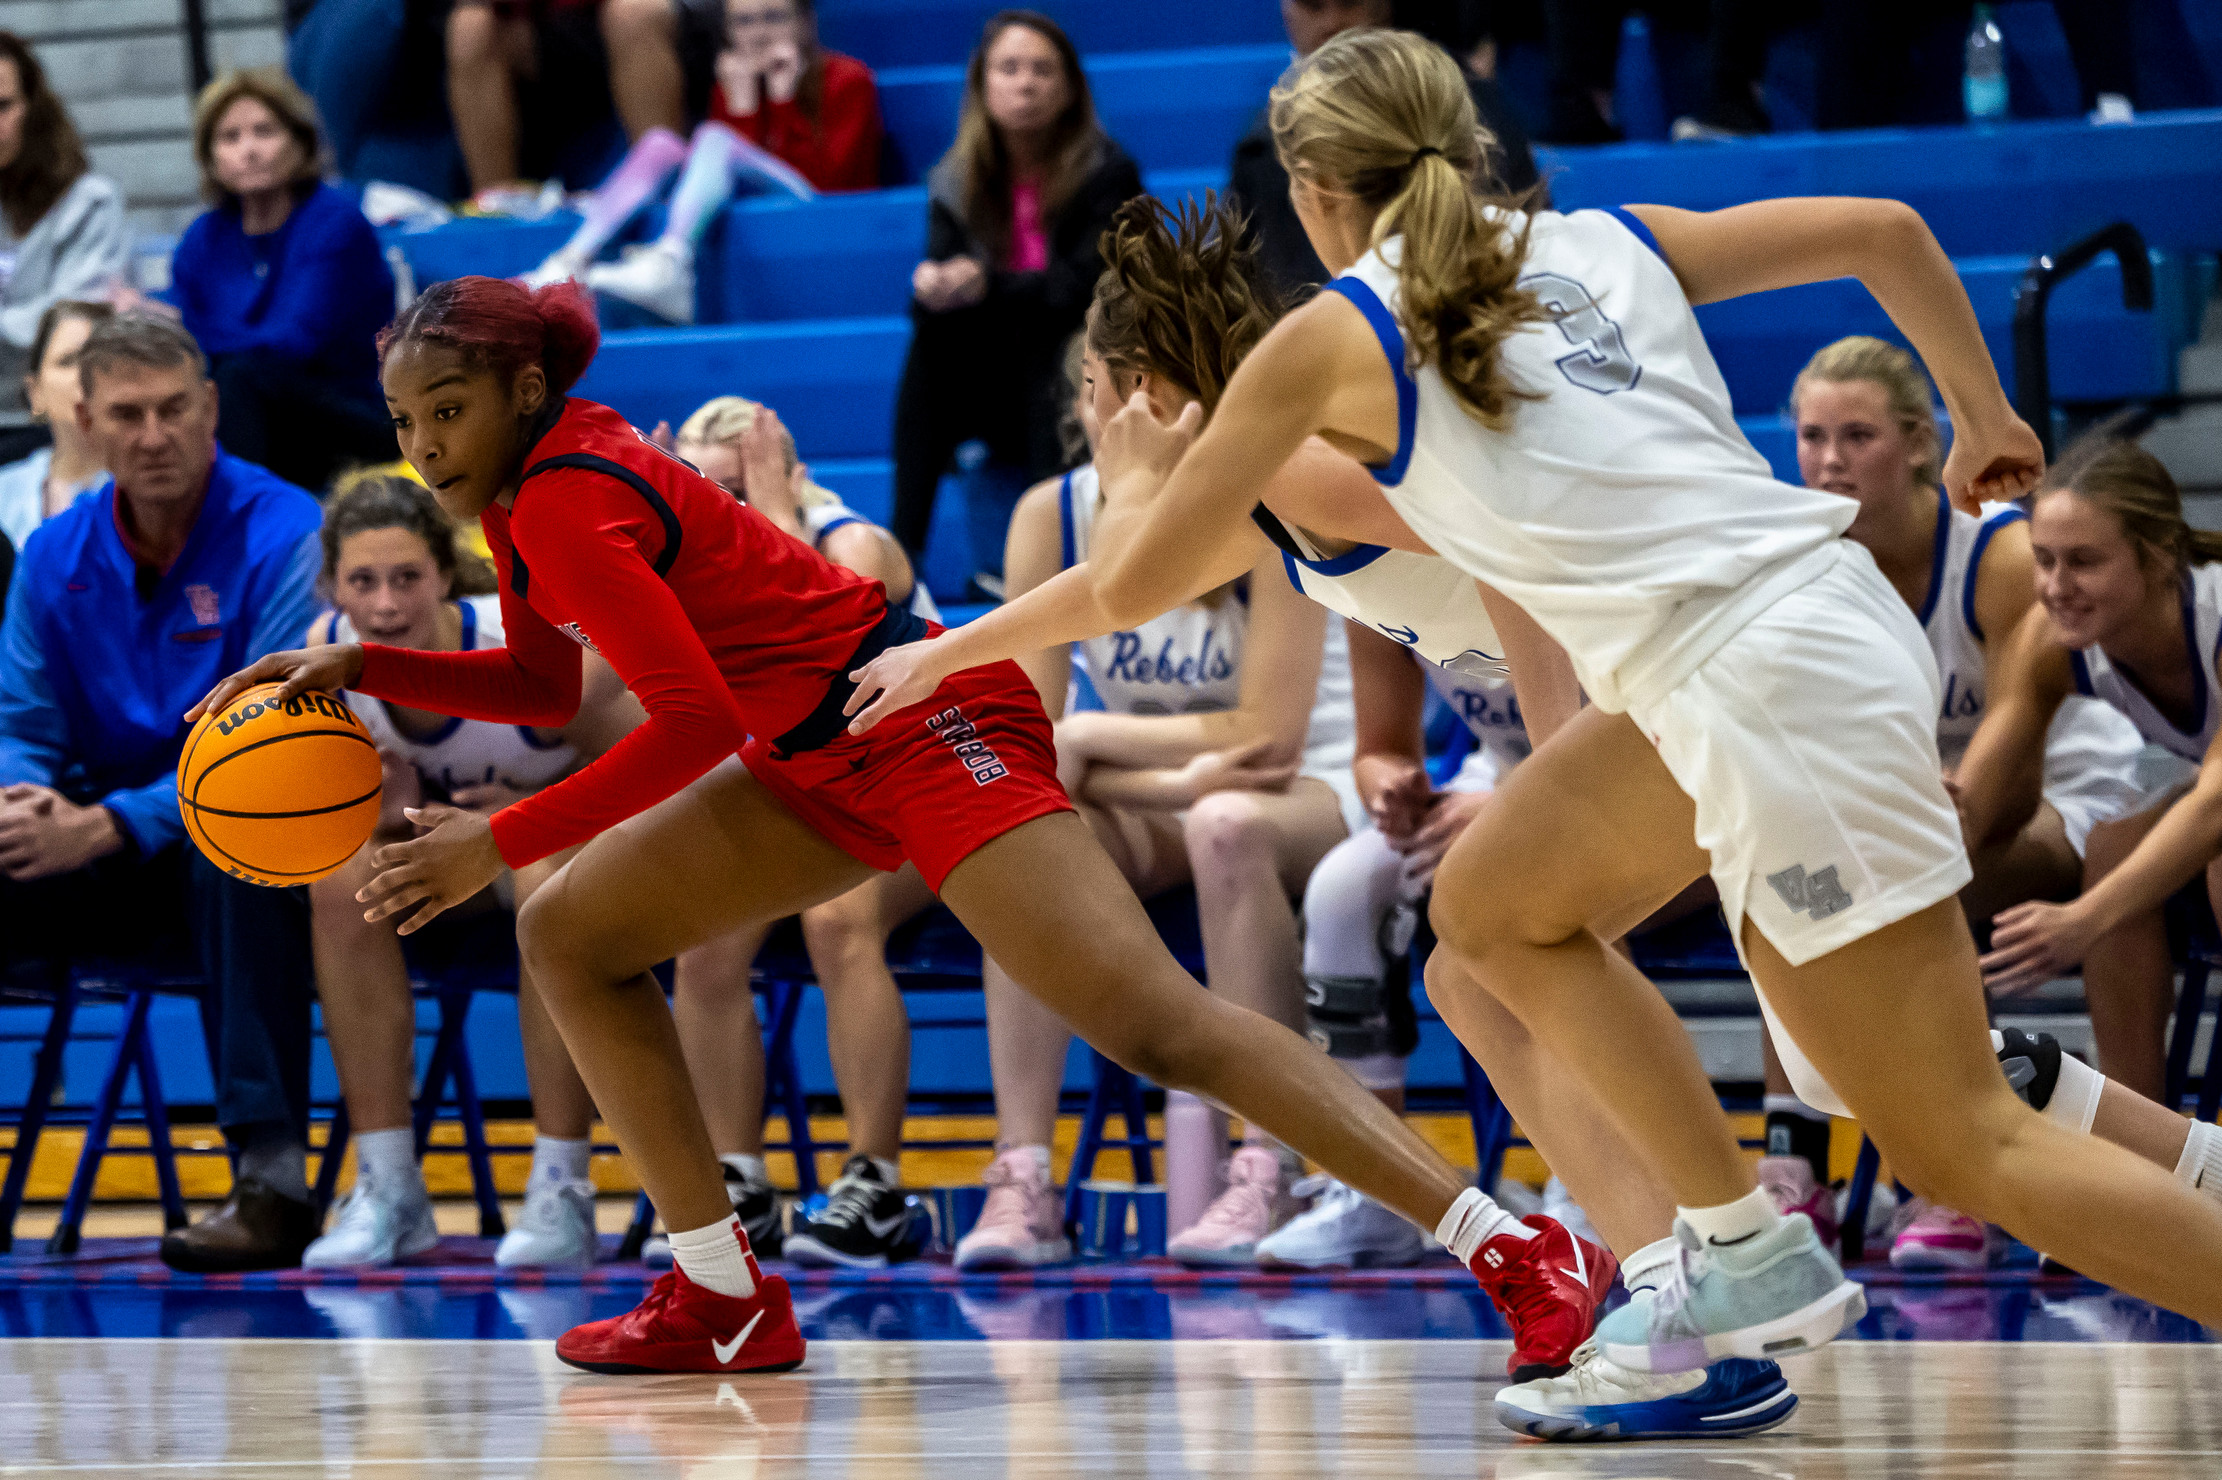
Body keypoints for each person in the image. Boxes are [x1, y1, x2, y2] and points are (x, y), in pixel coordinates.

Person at [844, 191, 2222, 1439]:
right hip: (1704, 688)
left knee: (1505, 954)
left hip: (1679, 689)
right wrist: (943, 653)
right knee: (1834, 1060)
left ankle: (1688, 1291)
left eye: (1091, 391)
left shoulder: (1304, 465)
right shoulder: (1262, 483)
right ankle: (2161, 1169)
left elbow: (1493, 549)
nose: (1086, 422)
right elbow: (1109, 593)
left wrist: (1554, 757)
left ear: (1136, 386)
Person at [192, 274, 1613, 1382]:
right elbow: (550, 686)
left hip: (924, 721)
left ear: (518, 386)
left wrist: (481, 846)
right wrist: (369, 667)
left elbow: (678, 723)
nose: (423, 444)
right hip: (819, 750)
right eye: (403, 423)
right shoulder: (530, 486)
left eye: (446, 409)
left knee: (1155, 1025)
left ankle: (1513, 1245)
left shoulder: (564, 497)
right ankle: (724, 1295)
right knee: (573, 933)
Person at [954, 329, 1361, 1273]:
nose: (1131, 409)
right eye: (1109, 388)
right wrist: (1146, 773)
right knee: (1011, 832)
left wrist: (1096, 744)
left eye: (1155, 389)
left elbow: (1265, 736)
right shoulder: (1049, 515)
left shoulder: (1271, 495)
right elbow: (1029, 744)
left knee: (1225, 826)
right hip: (1168, 786)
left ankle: (1267, 1159)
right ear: (1083, 399)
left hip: (1307, 789)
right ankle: (1025, 1178)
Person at [1769, 336, 2148, 1270]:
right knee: (1789, 874)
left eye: (1856, 435)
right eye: (1813, 436)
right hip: (1914, 817)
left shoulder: (2003, 558)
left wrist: (1927, 814)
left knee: (1890, 882)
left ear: (1918, 444)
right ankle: (1792, 1165)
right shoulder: (1801, 567)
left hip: (2064, 796)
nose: (1829, 459)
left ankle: (1946, 1180)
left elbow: (2013, 758)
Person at [0, 313, 325, 1271]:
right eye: (130, 414)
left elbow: (269, 737)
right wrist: (26, 804)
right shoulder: (53, 556)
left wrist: (110, 824)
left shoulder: (286, 530)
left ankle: (273, 1183)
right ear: (88, 423)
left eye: (175, 409)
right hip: (87, 837)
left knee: (247, 849)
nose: (154, 435)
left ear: (212, 408)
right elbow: (21, 723)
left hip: (226, 827)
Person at [298, 473, 645, 1269]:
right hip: (436, 878)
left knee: (541, 877)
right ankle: (389, 1187)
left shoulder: (528, 644)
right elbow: (307, 826)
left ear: (447, 575)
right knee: (338, 880)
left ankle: (562, 1189)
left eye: (406, 578)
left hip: (556, 859)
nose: (386, 606)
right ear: (331, 587)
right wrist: (376, 815)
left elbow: (655, 765)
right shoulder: (328, 673)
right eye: (363, 582)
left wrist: (524, 810)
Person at [634, 394, 941, 1270]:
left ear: (791, 477)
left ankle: (873, 1184)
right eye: (703, 487)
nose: (720, 506)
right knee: (703, 936)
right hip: (807, 796)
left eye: (739, 486)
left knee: (837, 920)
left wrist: (772, 511)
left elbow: (820, 654)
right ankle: (736, 1182)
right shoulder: (691, 560)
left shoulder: (851, 543)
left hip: (916, 779)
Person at [1260, 613, 1536, 1269]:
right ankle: (1375, 1192)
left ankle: (1588, 1190)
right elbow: (1378, 750)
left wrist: (1514, 810)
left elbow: (1637, 732)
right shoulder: (1364, 572)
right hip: (1501, 781)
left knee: (1548, 890)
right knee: (1344, 886)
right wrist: (1387, 787)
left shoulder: (1533, 545)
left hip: (1640, 792)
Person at [1960, 440, 2222, 1099]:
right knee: (2111, 843)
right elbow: (1977, 796)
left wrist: (2084, 919)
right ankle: (2143, 1142)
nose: (2054, 586)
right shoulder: (2051, 640)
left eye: (2083, 562)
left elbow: (2215, 802)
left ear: (2158, 555)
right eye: (2044, 560)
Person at [887, 10, 1142, 560]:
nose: (1025, 83)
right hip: (990, 381)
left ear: (1071, 88)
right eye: (1009, 68)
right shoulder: (954, 179)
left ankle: (1051, 554)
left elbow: (1084, 289)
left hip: (1074, 365)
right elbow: (937, 312)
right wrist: (931, 288)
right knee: (931, 348)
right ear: (983, 84)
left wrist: (985, 287)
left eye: (1042, 70)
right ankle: (902, 554)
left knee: (1042, 340)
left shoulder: (1109, 173)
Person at [524, 0, 884, 325]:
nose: (759, 34)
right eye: (744, 23)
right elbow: (724, 177)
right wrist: (744, 106)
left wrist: (782, 102)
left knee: (714, 137)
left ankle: (672, 260)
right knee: (661, 142)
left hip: (818, 210)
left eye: (774, 18)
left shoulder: (848, 79)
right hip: (756, 201)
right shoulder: (733, 84)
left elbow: (832, 182)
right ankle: (568, 263)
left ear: (806, 23)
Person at [169, 69, 398, 491]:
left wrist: (191, 329)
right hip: (257, 413)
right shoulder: (204, 236)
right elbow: (183, 348)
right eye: (230, 138)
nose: (249, 150)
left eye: (264, 131)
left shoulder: (336, 224)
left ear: (299, 143)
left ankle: (240, 526)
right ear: (211, 157)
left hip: (353, 411)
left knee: (238, 379)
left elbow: (295, 342)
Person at [1228, 0, 1539, 299]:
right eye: (1313, 5)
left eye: (1350, 3)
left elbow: (1525, 261)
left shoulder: (1482, 115)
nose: (1332, 23)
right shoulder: (1261, 148)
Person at [0, 33, 127, 466]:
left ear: (33, 109)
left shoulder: (92, 203)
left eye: (3, 107)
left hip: (61, 427)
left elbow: (75, 322)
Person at [445, 0, 691, 210]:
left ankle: (662, 187)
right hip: (546, 23)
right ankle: (496, 203)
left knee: (633, 12)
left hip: (642, 17)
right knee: (470, 27)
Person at [0, 299, 109, 555]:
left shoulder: (156, 491)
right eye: (67, 361)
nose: (84, 374)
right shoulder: (3, 491)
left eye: (100, 361)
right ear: (35, 391)